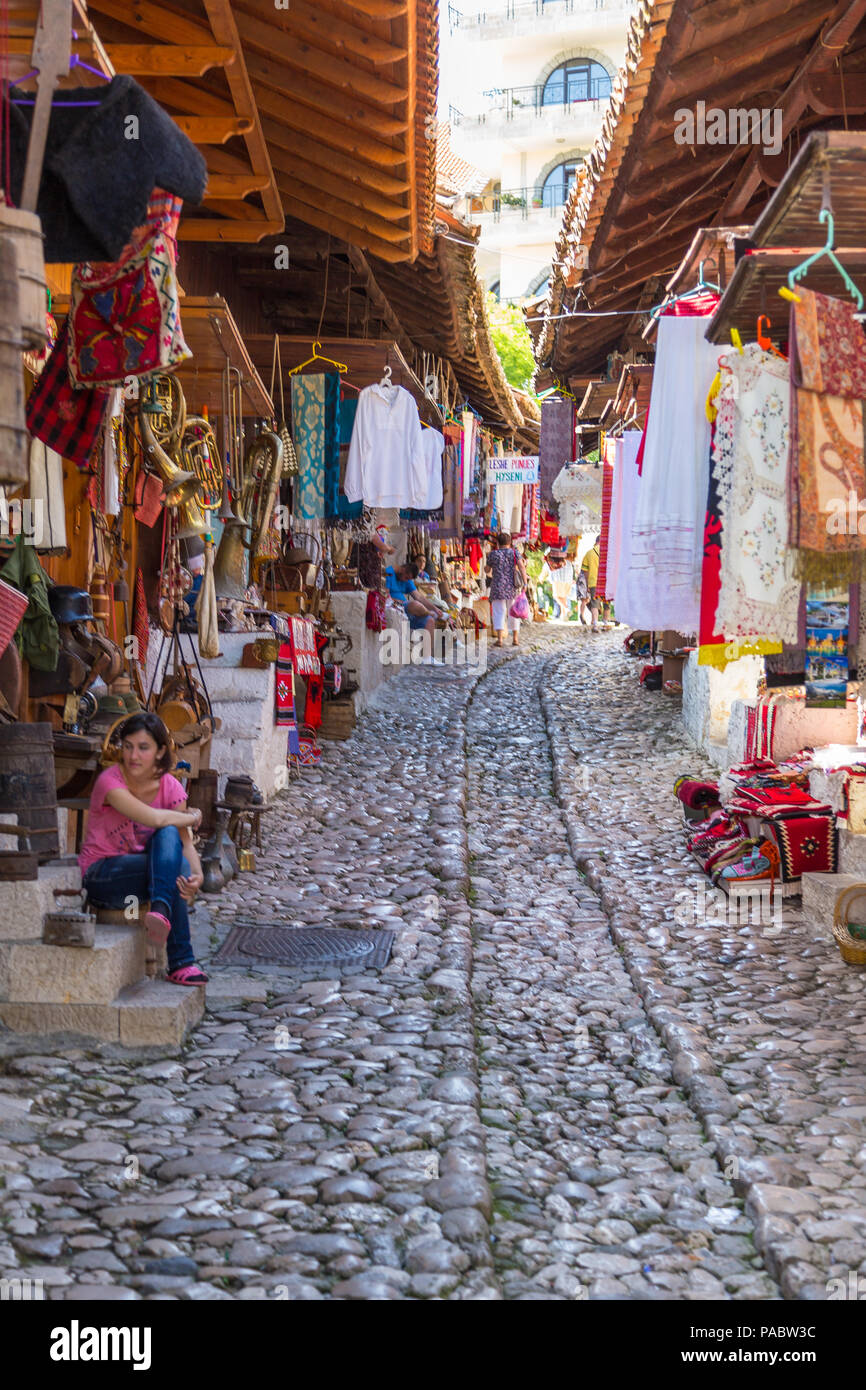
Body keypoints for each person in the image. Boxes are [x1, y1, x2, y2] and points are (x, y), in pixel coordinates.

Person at [79, 712, 209, 987]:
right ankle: (182, 962)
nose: (133, 756)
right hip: (103, 876)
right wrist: (193, 816)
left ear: (161, 751)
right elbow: (154, 818)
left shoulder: (170, 786)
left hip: (147, 880)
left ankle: (159, 911)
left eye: (143, 747)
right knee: (171, 849)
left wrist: (197, 875)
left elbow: (184, 842)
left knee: (170, 838)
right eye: (128, 746)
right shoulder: (110, 781)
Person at [385, 561, 447, 661]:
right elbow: (385, 594)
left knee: (429, 621)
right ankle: (430, 613)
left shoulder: (406, 578)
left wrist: (435, 608)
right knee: (415, 605)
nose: (406, 581)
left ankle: (427, 658)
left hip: (406, 610)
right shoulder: (389, 572)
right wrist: (397, 601)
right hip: (394, 606)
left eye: (408, 579)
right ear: (403, 569)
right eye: (406, 578)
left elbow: (418, 596)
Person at [485, 532, 527, 648]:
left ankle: (499, 639)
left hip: (497, 587)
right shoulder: (514, 552)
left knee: (498, 611)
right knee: (513, 612)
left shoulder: (493, 554)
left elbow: (487, 570)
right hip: (512, 587)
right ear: (510, 543)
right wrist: (525, 582)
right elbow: (522, 567)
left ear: (497, 543)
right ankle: (515, 638)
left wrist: (487, 565)